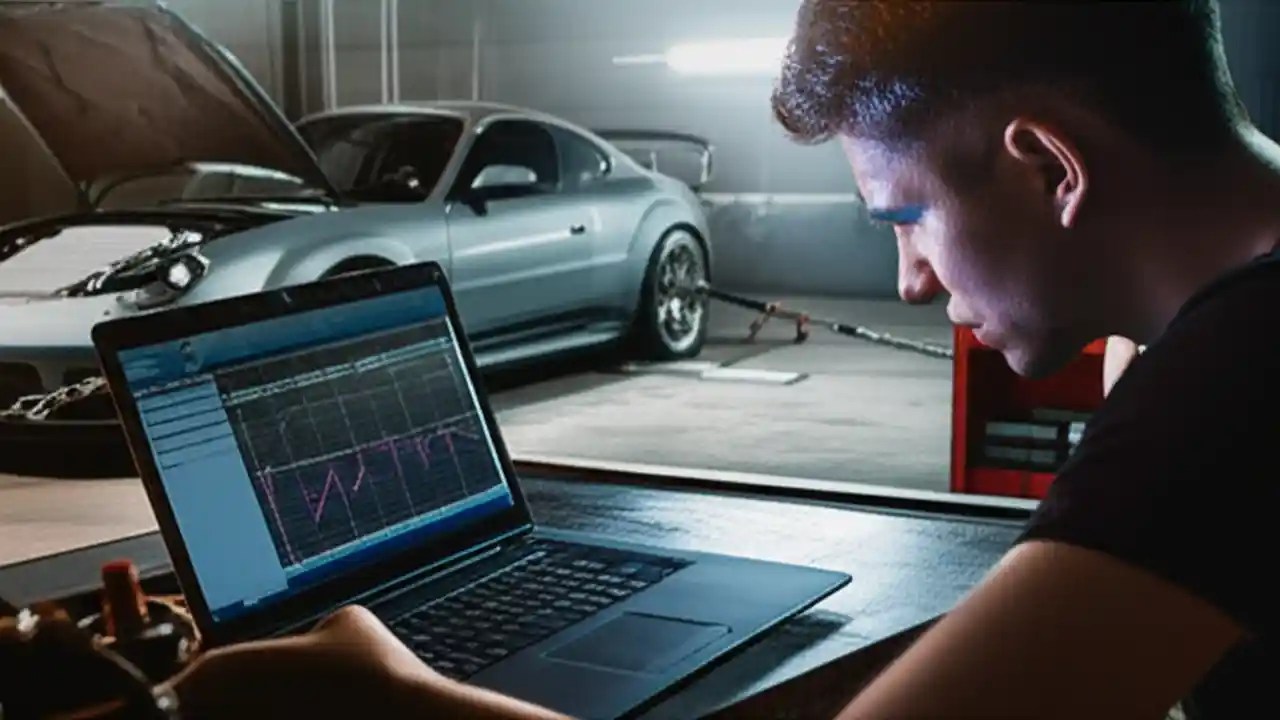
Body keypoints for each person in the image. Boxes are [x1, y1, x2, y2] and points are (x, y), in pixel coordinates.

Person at [162, 1, 1280, 718]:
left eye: (905, 220)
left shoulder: (1231, 380)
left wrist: (402, 699)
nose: (909, 281)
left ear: (1048, 168)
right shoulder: (1195, 338)